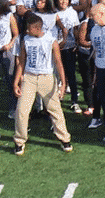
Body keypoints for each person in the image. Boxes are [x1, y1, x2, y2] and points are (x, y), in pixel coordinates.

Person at [11, 11, 72, 155]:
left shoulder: (51, 41)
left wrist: (63, 83)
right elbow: (21, 62)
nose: (27, 30)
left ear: (37, 28)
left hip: (47, 78)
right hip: (29, 78)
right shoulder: (26, 39)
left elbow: (58, 62)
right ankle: (19, 141)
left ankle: (64, 139)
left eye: (29, 28)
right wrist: (16, 82)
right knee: (21, 111)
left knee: (55, 110)